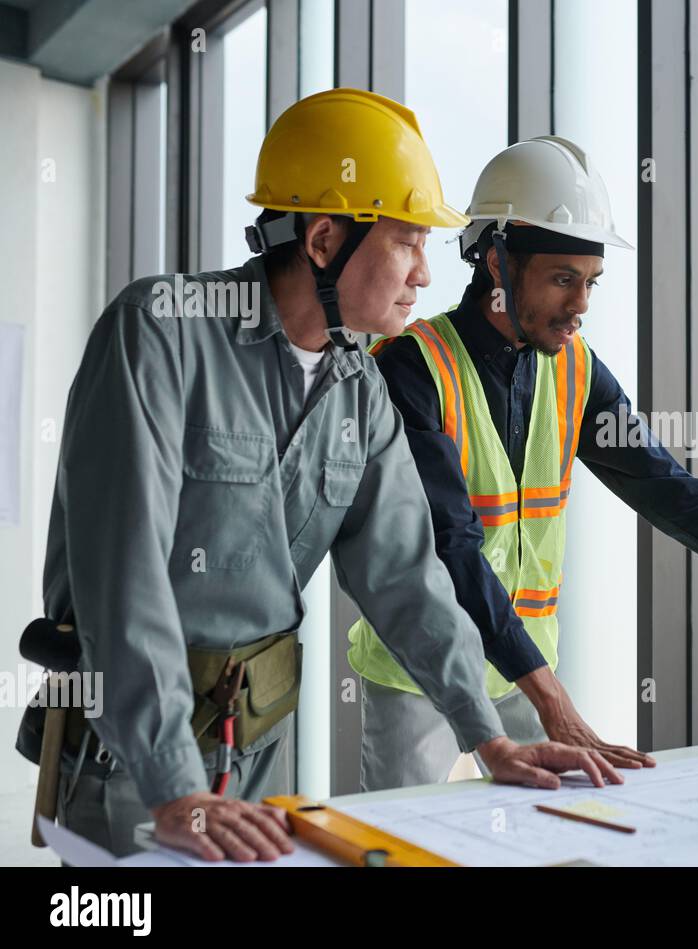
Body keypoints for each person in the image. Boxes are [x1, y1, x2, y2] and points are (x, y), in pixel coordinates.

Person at [15, 91, 619, 863]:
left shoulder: (357, 389)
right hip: (134, 763)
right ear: (326, 238)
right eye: (407, 243)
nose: (425, 276)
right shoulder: (160, 333)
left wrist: (488, 736)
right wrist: (173, 785)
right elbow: (122, 582)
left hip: (261, 756)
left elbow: (408, 577)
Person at [348, 135, 698, 789]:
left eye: (590, 284)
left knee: (544, 829)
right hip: (420, 669)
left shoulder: (573, 370)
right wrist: (555, 703)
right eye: (562, 279)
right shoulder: (412, 369)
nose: (581, 304)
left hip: (524, 665)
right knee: (405, 843)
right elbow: (452, 546)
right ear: (497, 262)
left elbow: (664, 485)